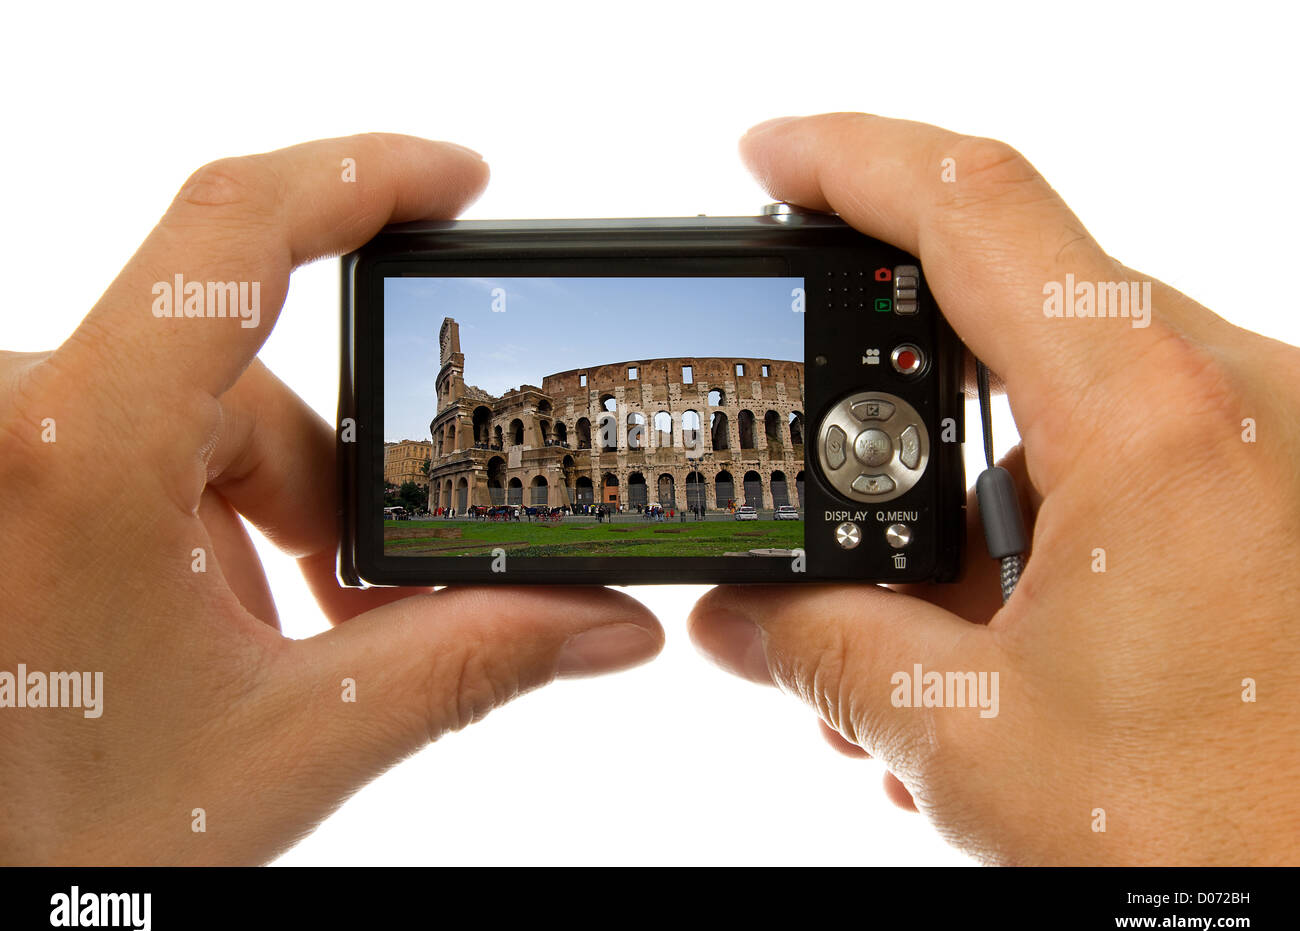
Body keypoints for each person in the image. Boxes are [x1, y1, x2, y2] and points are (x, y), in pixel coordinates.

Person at [4, 116, 1299, 866]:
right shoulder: (491, 424)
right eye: (459, 406)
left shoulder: (687, 415)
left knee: (726, 455)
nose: (459, 415)